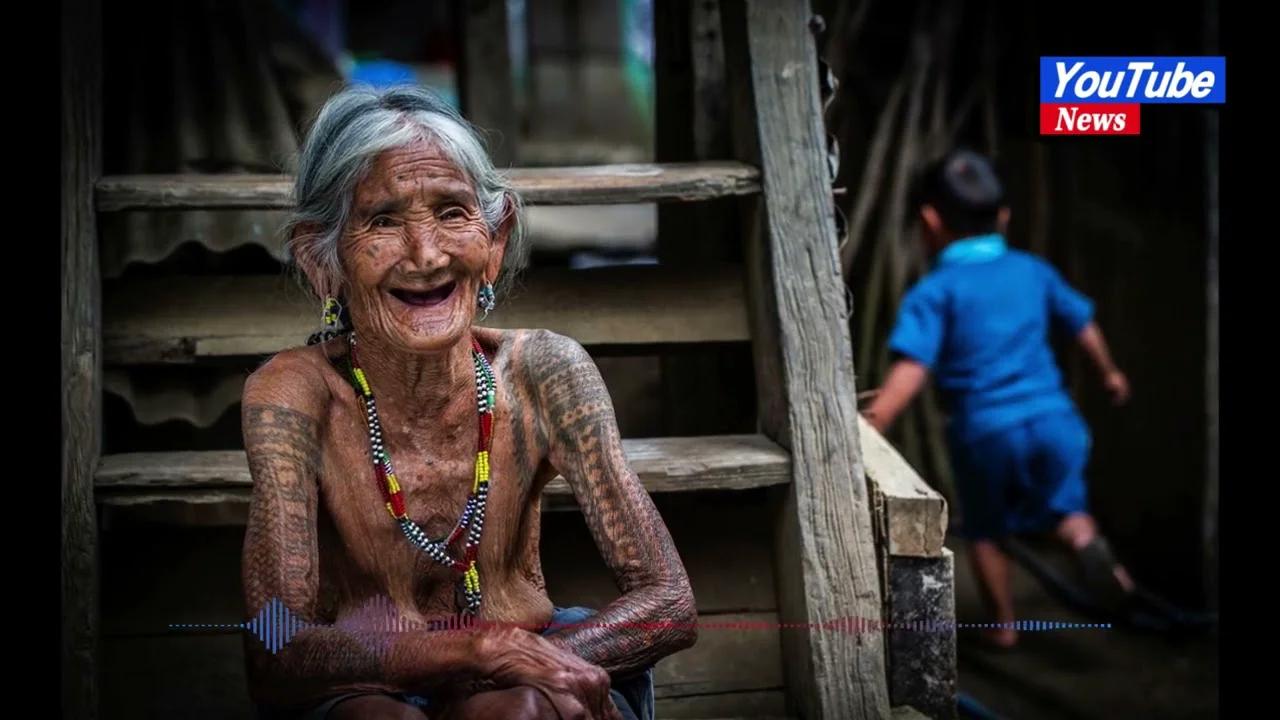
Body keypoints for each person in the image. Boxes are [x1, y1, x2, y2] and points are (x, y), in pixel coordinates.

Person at [241, 85, 696, 719]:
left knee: (516, 713)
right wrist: (477, 651)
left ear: (496, 236)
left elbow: (668, 603)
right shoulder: (294, 395)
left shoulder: (543, 372)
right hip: (366, 677)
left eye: (452, 212)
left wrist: (523, 660)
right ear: (322, 260)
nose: (426, 256)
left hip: (527, 666)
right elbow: (272, 647)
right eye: (383, 220)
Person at [862, 149, 1134, 648]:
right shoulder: (1033, 271)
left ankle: (1005, 627)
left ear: (929, 221)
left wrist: (872, 423)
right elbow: (1082, 324)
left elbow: (912, 369)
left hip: (986, 432)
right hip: (1056, 421)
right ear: (1004, 217)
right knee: (1066, 509)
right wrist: (1111, 374)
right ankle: (1085, 543)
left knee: (986, 529)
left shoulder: (936, 290)